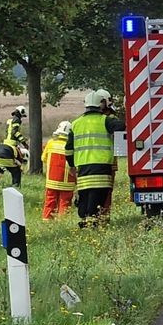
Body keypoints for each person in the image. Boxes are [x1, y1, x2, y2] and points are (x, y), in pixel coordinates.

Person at [66, 89, 124, 228]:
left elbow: (68, 149)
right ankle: (93, 222)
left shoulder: (75, 123)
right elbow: (122, 126)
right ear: (100, 104)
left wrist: (72, 165)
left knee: (85, 196)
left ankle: (85, 220)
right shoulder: (105, 120)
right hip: (102, 167)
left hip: (83, 168)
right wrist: (112, 110)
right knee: (98, 197)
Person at [41, 121, 76, 219]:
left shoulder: (51, 143)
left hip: (52, 181)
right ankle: (62, 223)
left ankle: (47, 221)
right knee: (65, 203)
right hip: (68, 182)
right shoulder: (73, 146)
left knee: (50, 201)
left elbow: (43, 159)